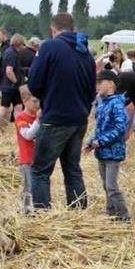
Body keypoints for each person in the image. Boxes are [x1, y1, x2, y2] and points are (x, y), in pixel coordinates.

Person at [25, 13, 96, 210]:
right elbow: (92, 91)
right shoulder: (85, 52)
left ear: (53, 29)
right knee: (72, 169)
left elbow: (34, 83)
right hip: (79, 120)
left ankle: (41, 216)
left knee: (40, 171)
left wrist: (46, 97)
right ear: (73, 29)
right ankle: (78, 213)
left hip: (55, 118)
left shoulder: (49, 47)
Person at [84, 70, 131, 221]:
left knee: (111, 187)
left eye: (100, 82)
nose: (96, 86)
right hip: (102, 152)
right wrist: (90, 142)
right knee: (106, 186)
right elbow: (99, 128)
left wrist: (101, 141)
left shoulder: (116, 103)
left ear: (110, 84)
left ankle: (123, 216)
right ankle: (111, 213)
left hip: (113, 152)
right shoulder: (102, 103)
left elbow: (120, 128)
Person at [0, 34, 27, 131]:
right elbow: (9, 71)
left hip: (6, 86)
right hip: (11, 86)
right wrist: (17, 82)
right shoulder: (12, 54)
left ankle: (17, 128)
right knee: (6, 107)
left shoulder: (8, 52)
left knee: (17, 106)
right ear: (19, 44)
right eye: (23, 44)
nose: (23, 46)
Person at [15, 93, 41, 213]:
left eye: (39, 101)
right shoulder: (21, 118)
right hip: (27, 159)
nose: (37, 104)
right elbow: (28, 135)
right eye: (34, 101)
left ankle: (38, 207)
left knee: (38, 185)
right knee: (29, 187)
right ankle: (27, 210)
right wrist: (38, 120)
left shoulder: (38, 117)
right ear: (25, 101)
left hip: (39, 157)